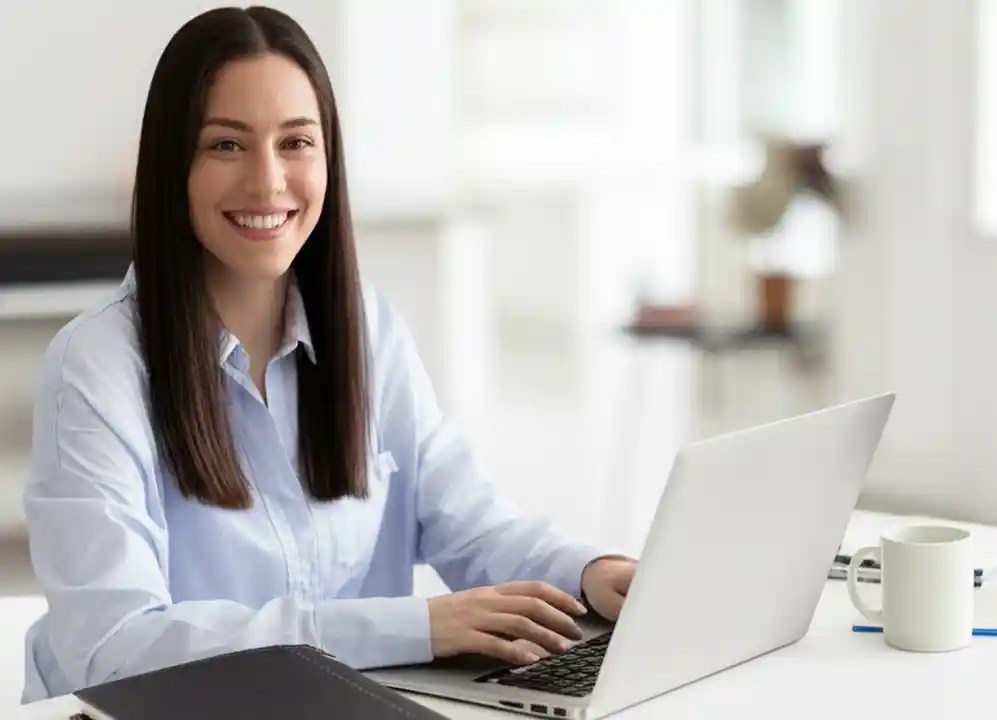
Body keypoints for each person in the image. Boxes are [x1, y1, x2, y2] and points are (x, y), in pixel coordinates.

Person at [21, 6, 636, 703]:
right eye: (227, 145)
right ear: (173, 164)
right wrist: (412, 628)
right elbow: (114, 648)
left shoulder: (369, 328)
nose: (268, 182)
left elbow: (470, 522)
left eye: (296, 143)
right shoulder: (97, 367)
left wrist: (589, 571)